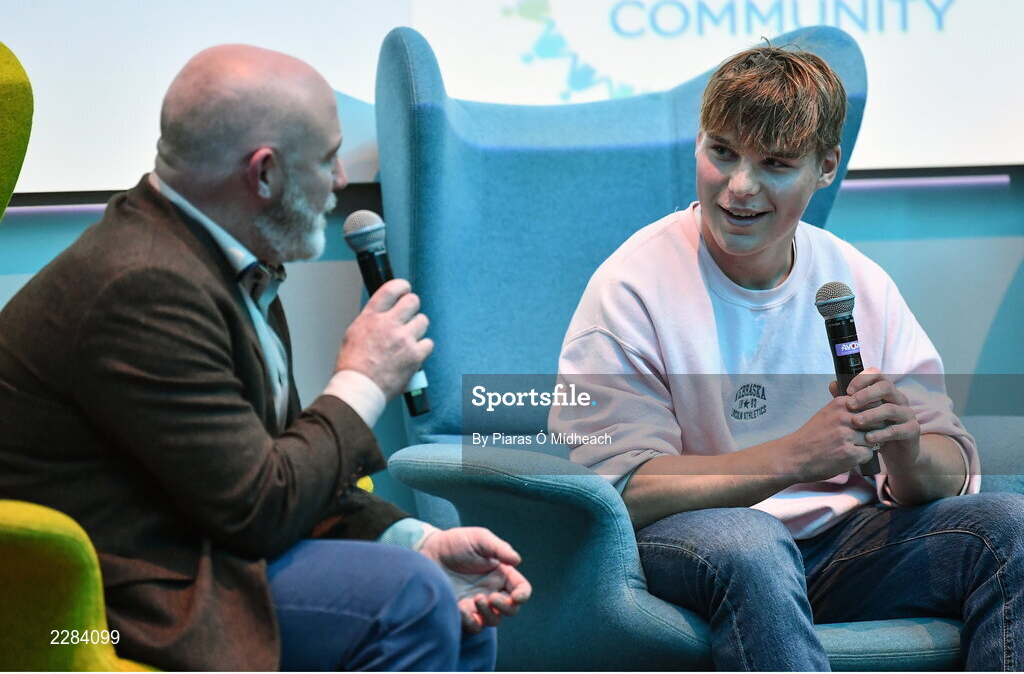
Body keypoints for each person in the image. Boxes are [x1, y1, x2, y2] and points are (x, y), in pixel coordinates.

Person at [0, 44, 530, 671]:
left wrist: (416, 540)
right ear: (264, 174)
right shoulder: (141, 288)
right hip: (130, 600)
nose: (338, 183)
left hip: (213, 548)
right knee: (411, 598)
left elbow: (281, 467)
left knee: (450, 595)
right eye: (329, 160)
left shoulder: (227, 266)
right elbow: (258, 509)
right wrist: (361, 381)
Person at [550, 44, 1022, 670]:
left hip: (842, 548)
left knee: (1011, 527)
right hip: (691, 545)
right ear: (699, 143)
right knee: (753, 540)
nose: (739, 187)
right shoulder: (632, 287)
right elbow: (619, 488)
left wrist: (904, 448)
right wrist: (794, 457)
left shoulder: (855, 281)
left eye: (774, 163)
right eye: (722, 152)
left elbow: (948, 471)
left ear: (825, 168)